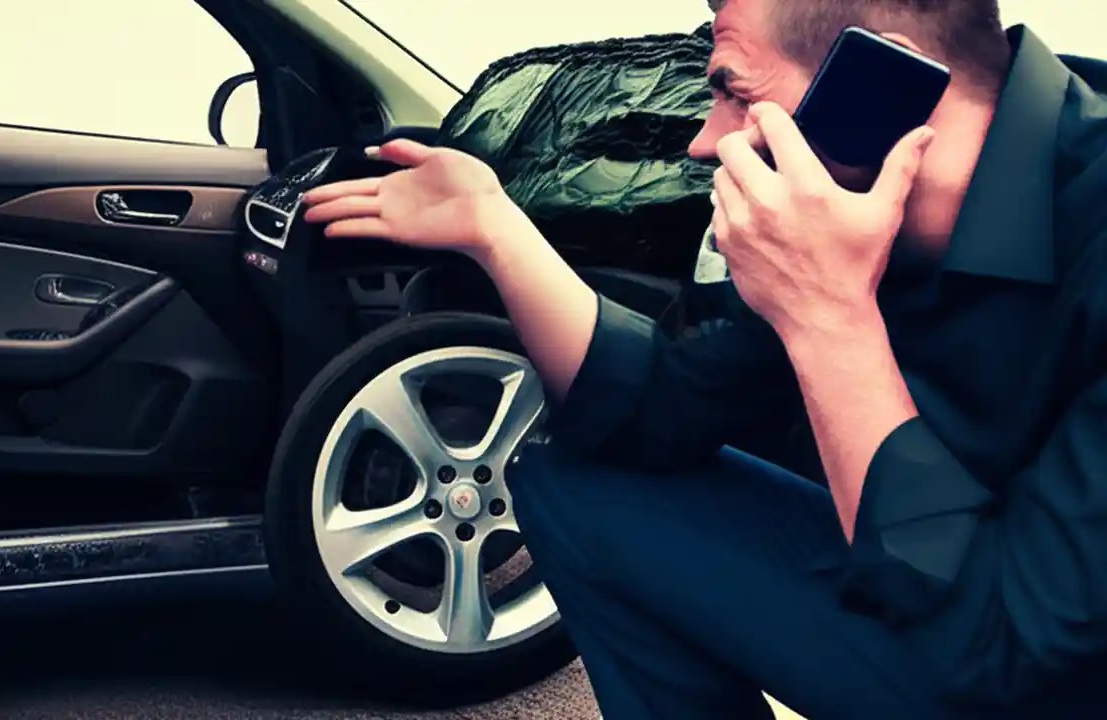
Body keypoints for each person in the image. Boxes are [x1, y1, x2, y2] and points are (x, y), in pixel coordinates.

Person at [303, 0, 1107, 717]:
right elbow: (656, 409)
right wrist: (495, 228)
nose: (702, 141)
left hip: (1040, 663)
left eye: (734, 92)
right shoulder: (839, 208)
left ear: (882, 84)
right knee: (580, 492)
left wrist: (827, 314)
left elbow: (1009, 652)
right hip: (944, 601)